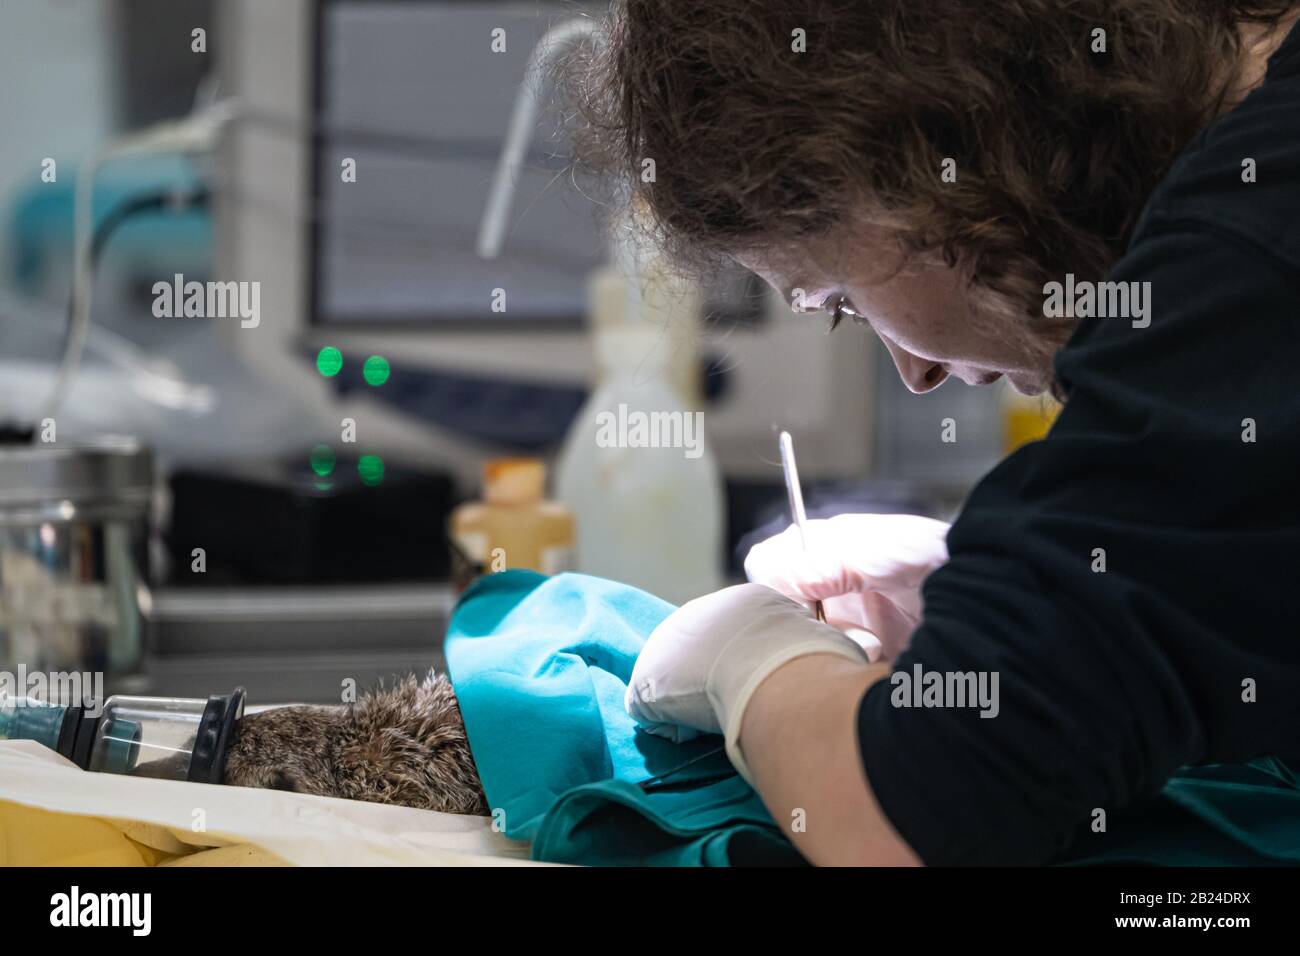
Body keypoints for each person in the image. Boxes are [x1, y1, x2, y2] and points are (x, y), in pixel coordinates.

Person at [572, 0, 1300, 865]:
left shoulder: (1245, 246)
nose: (913, 371)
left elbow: (906, 822)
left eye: (841, 298)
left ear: (921, 160)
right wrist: (1031, 587)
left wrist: (750, 661)